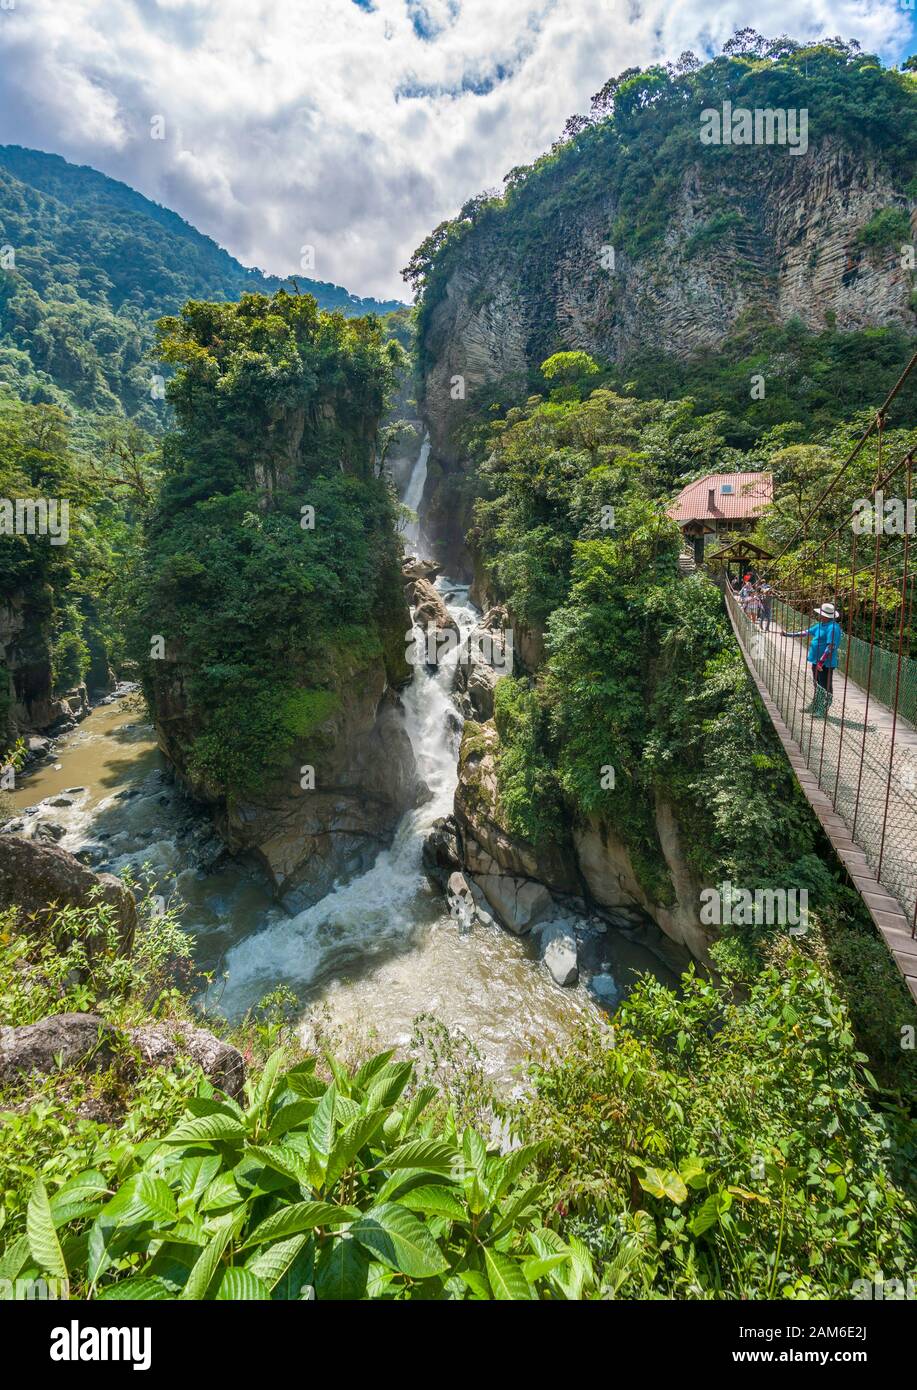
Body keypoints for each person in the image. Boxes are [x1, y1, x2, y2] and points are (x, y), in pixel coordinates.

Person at [779, 602, 842, 717]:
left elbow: (831, 646)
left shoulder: (833, 628)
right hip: (815, 661)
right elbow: (805, 633)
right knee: (817, 684)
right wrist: (787, 634)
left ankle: (823, 709)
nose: (819, 616)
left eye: (821, 614)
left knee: (825, 686)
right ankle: (815, 705)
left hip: (825, 663)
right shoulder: (820, 625)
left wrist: (821, 662)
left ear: (826, 616)